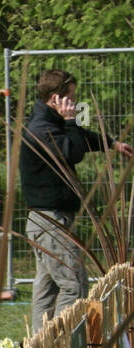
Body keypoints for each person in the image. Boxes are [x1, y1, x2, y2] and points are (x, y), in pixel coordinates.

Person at [21, 69, 134, 332]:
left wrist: (113, 144)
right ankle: (60, 345)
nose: (74, 103)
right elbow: (72, 151)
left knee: (47, 288)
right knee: (73, 285)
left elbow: (80, 137)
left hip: (47, 221)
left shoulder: (49, 122)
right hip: (51, 222)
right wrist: (70, 120)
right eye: (71, 98)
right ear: (55, 99)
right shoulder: (42, 129)